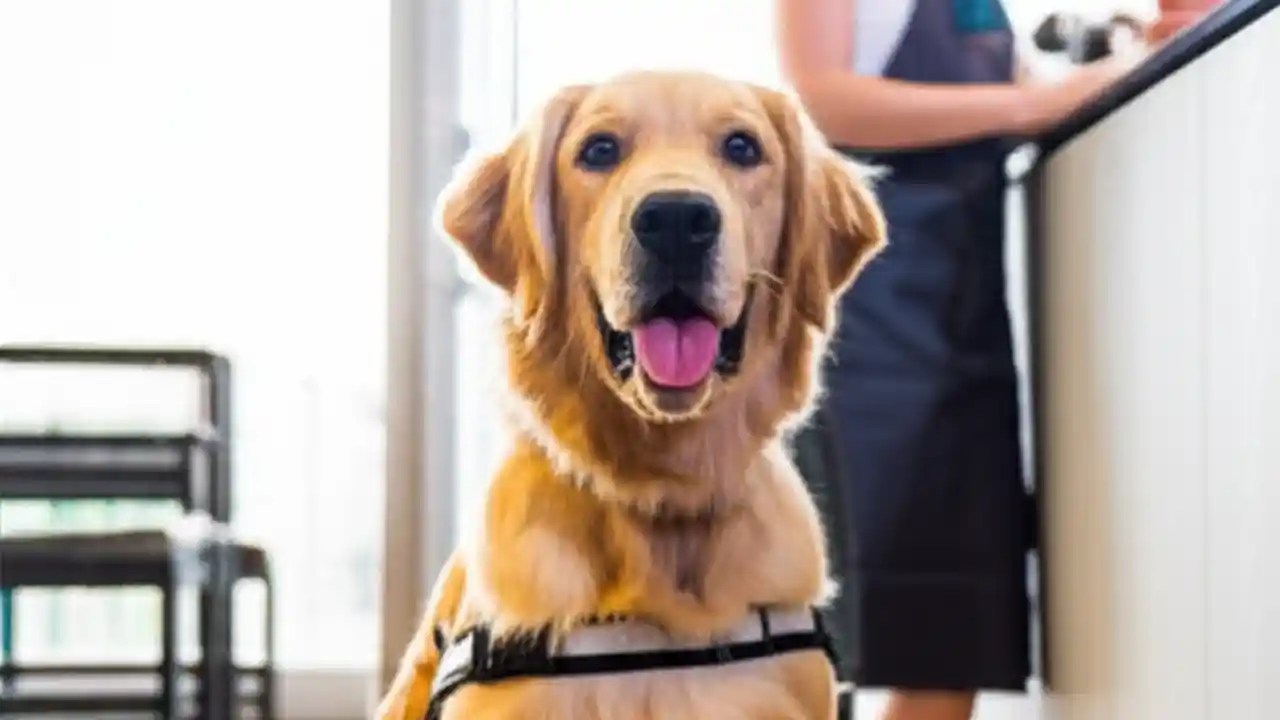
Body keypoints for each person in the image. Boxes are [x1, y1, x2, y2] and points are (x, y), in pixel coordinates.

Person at [775, 2, 1140, 719]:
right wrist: (1027, 105)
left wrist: (1115, 62)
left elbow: (1018, 82)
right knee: (835, 641)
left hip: (963, 323)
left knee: (953, 643)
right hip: (865, 328)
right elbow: (819, 97)